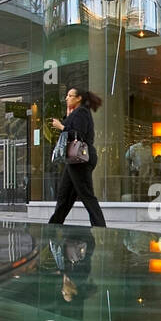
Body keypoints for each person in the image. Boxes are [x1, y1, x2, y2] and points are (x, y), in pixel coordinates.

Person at [48, 87, 106, 227]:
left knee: (86, 195)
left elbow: (78, 134)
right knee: (64, 196)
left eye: (70, 95)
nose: (67, 98)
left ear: (78, 98)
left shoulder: (82, 112)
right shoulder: (76, 113)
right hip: (74, 160)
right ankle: (54, 226)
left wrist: (61, 126)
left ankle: (100, 227)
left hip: (81, 159)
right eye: (67, 96)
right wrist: (67, 117)